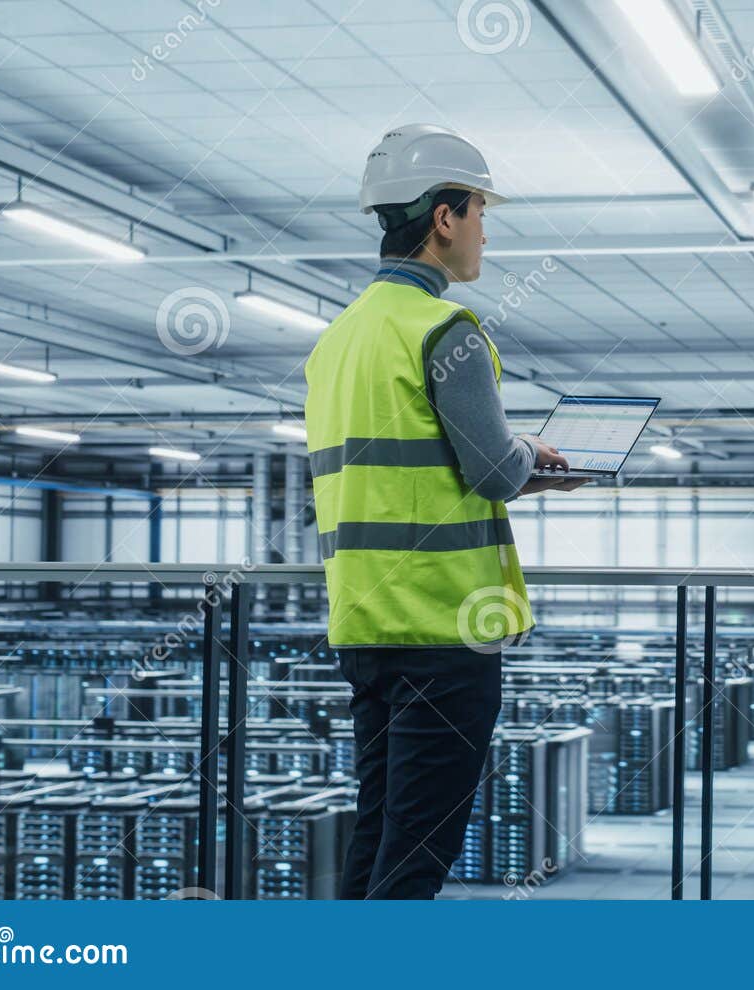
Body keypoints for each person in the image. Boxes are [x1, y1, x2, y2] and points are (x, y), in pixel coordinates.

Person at [303, 124, 585, 899]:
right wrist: (528, 452)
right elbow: (492, 471)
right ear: (444, 219)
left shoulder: (338, 341)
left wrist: (522, 467)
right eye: (482, 213)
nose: (486, 234)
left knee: (380, 832)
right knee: (417, 856)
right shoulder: (447, 331)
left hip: (365, 622)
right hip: (442, 628)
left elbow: (418, 471)